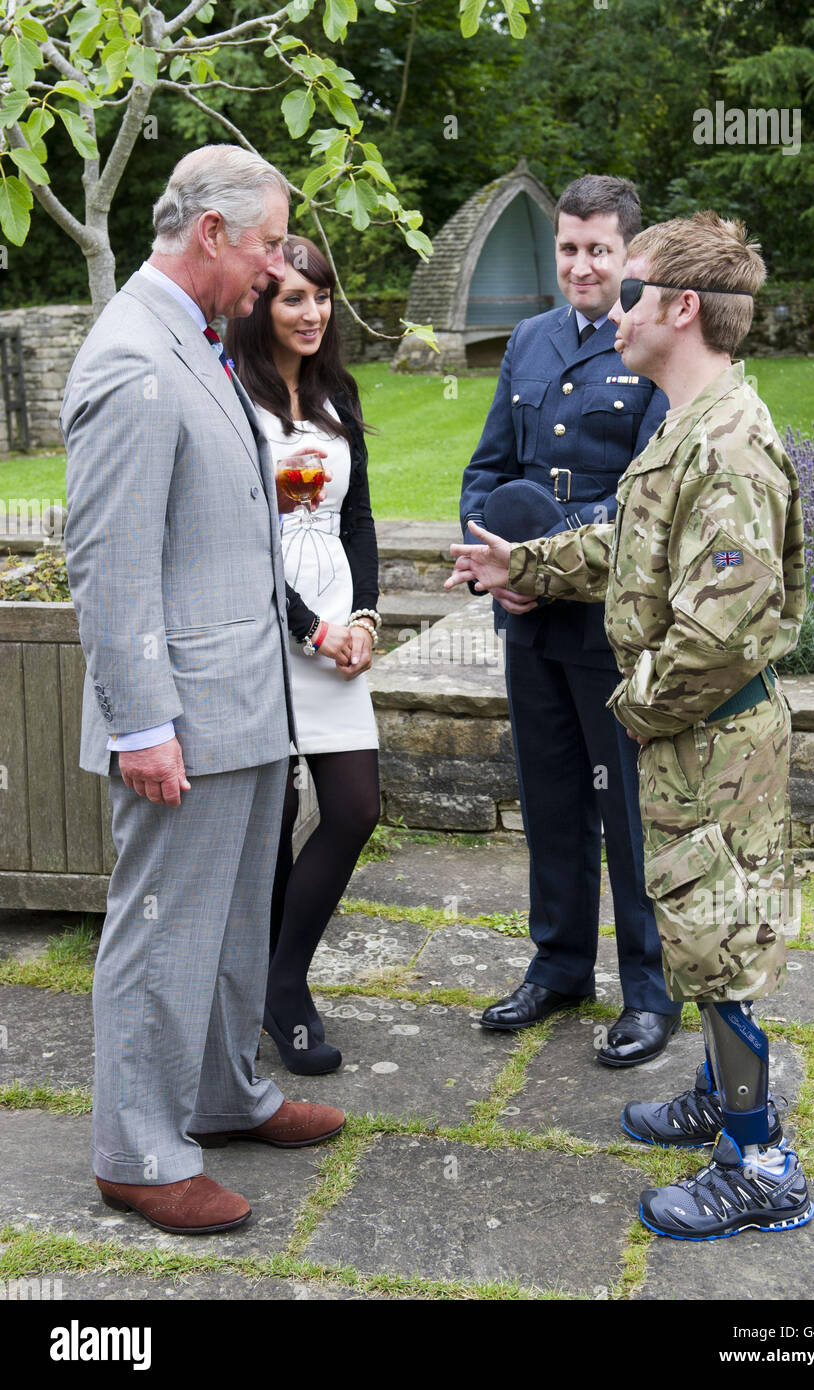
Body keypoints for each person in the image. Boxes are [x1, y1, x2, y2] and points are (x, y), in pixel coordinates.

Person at [447, 210, 813, 1240]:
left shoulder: (730, 443)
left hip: (713, 739)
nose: (612, 301)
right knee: (703, 931)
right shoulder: (688, 424)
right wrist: (517, 565)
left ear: (682, 307)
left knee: (722, 942)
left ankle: (760, 1159)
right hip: (691, 736)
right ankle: (717, 1090)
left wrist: (632, 708)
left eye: (633, 285)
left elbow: (724, 633)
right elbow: (623, 542)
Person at [61, 146, 345, 1238]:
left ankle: (225, 1094)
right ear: (215, 234)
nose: (279, 270)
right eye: (270, 244)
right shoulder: (134, 356)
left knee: (231, 925)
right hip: (178, 713)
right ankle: (137, 1153)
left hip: (242, 702)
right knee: (162, 928)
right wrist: (142, 724)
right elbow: (109, 558)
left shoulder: (195, 339)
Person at [458, 175, 679, 1066]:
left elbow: (646, 502)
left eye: (598, 250)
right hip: (528, 620)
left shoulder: (650, 345)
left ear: (629, 257)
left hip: (606, 621)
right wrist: (491, 564)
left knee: (623, 805)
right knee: (549, 795)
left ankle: (650, 989)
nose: (581, 266)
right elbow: (488, 469)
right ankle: (557, 968)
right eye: (568, 249)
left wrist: (545, 567)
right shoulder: (528, 341)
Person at [225, 236, 381, 1076]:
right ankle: (280, 995)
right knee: (275, 819)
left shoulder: (336, 392)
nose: (313, 312)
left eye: (321, 296)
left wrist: (362, 617)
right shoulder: (231, 398)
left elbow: (359, 522)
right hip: (262, 626)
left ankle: (280, 981)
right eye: (294, 298)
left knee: (354, 806)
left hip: (334, 631)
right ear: (260, 305)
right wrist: (307, 627)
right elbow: (243, 537)